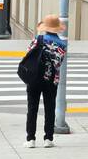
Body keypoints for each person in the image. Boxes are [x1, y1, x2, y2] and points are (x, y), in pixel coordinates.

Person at [25, 15, 67, 148]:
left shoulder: (38, 39)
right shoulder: (62, 44)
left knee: (32, 108)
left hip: (34, 78)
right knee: (50, 108)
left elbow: (28, 54)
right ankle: (48, 138)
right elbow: (59, 63)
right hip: (51, 80)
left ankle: (30, 139)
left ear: (45, 28)